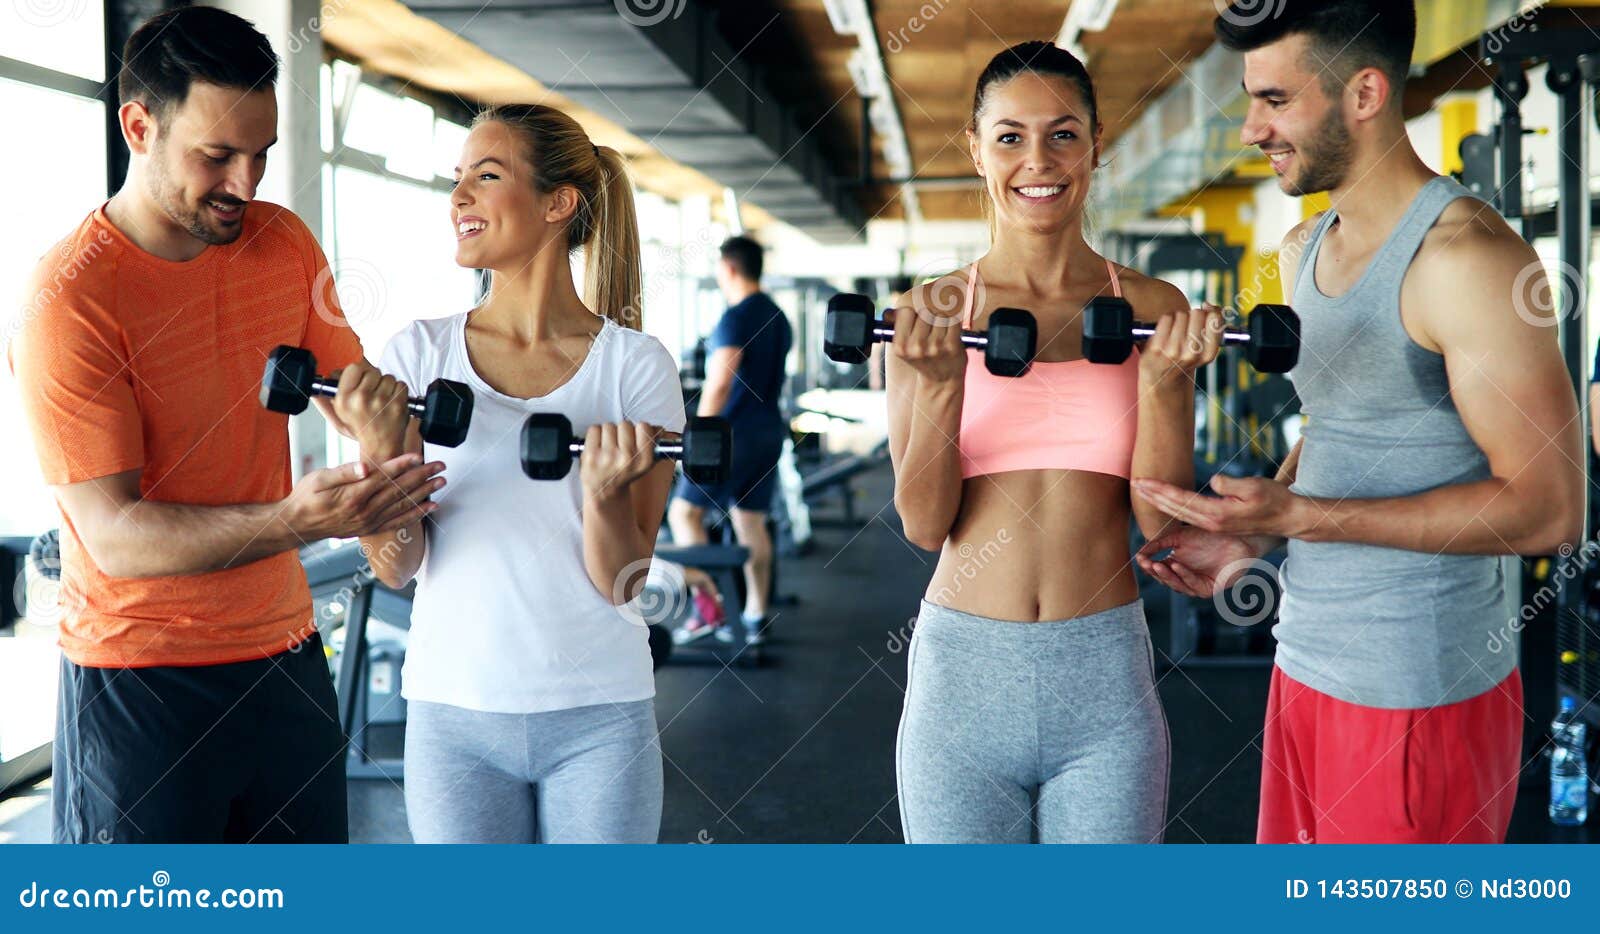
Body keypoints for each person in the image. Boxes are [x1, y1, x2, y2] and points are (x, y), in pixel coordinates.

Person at [1135, 0, 1584, 844]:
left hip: (1419, 691)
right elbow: (1345, 429)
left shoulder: (1470, 262)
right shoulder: (1306, 248)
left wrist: (1301, 518)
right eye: (1249, 99)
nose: (1250, 130)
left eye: (1274, 100)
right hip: (1307, 663)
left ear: (1366, 94)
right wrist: (1261, 527)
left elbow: (1552, 508)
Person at [7, 6, 442, 843]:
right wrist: (295, 521)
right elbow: (117, 538)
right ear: (139, 126)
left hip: (283, 660)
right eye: (217, 157)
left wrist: (384, 438)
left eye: (262, 155)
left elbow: (353, 398)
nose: (247, 184)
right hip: (140, 683)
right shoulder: (69, 299)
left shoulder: (280, 245)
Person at [887, 40, 1225, 844]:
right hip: (962, 678)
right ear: (975, 149)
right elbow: (924, 524)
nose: (1038, 160)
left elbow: (1160, 524)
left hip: (1103, 672)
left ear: (1096, 145)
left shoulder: (1151, 305)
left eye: (1063, 134)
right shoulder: (930, 311)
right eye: (1009, 136)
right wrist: (938, 385)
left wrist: (1166, 382)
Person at [347, 104, 684, 844]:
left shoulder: (635, 366)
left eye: (486, 176)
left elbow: (625, 582)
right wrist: (379, 452)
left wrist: (601, 496)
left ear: (558, 203)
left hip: (600, 717)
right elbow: (395, 565)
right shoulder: (417, 356)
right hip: (453, 715)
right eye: (458, 178)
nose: (459, 196)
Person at [668, 236, 794, 645]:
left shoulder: (736, 317)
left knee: (683, 515)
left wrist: (698, 439)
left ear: (730, 269)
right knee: (750, 523)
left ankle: (710, 611)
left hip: (731, 436)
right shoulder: (778, 317)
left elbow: (721, 380)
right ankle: (755, 616)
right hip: (768, 432)